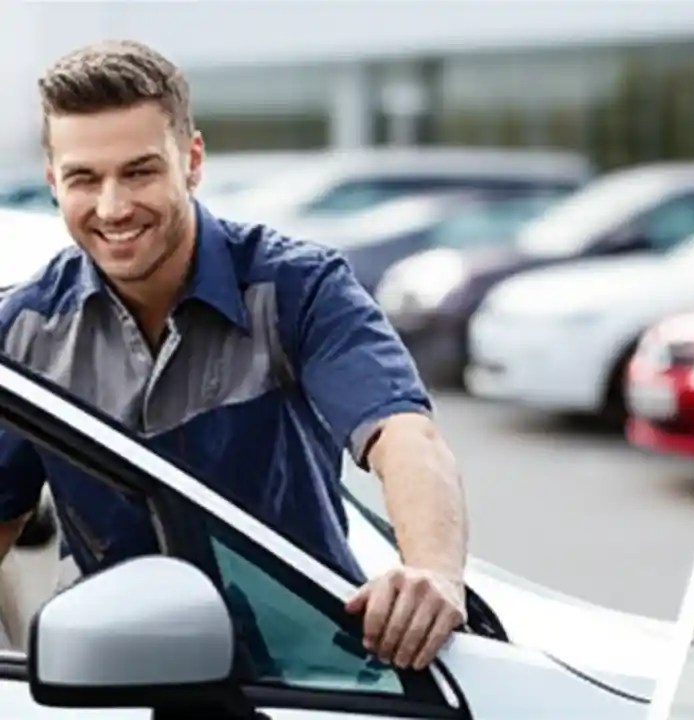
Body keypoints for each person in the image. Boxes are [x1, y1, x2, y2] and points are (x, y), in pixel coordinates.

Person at [0, 39, 468, 672]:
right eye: (85, 178)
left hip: (307, 679)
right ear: (54, 183)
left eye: (139, 171)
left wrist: (433, 572)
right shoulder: (22, 330)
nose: (113, 207)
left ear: (191, 160)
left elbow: (404, 435)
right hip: (113, 681)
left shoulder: (298, 287)